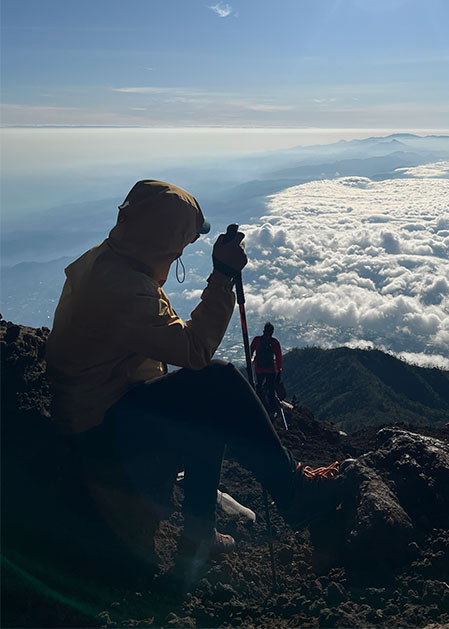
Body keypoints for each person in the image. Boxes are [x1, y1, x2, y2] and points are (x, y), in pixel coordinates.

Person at [44, 180, 347, 581]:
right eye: (183, 242)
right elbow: (195, 351)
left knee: (203, 399)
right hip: (101, 431)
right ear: (169, 242)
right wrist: (222, 276)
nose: (183, 250)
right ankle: (294, 492)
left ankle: (199, 534)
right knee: (217, 380)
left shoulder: (107, 263)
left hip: (95, 414)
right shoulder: (123, 289)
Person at [251, 321, 285, 414]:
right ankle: (272, 410)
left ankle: (258, 408)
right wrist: (279, 371)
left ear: (263, 331)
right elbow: (278, 357)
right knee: (271, 390)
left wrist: (250, 365)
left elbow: (250, 352)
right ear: (272, 332)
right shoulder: (275, 342)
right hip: (271, 369)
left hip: (259, 369)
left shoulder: (257, 340)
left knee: (259, 387)